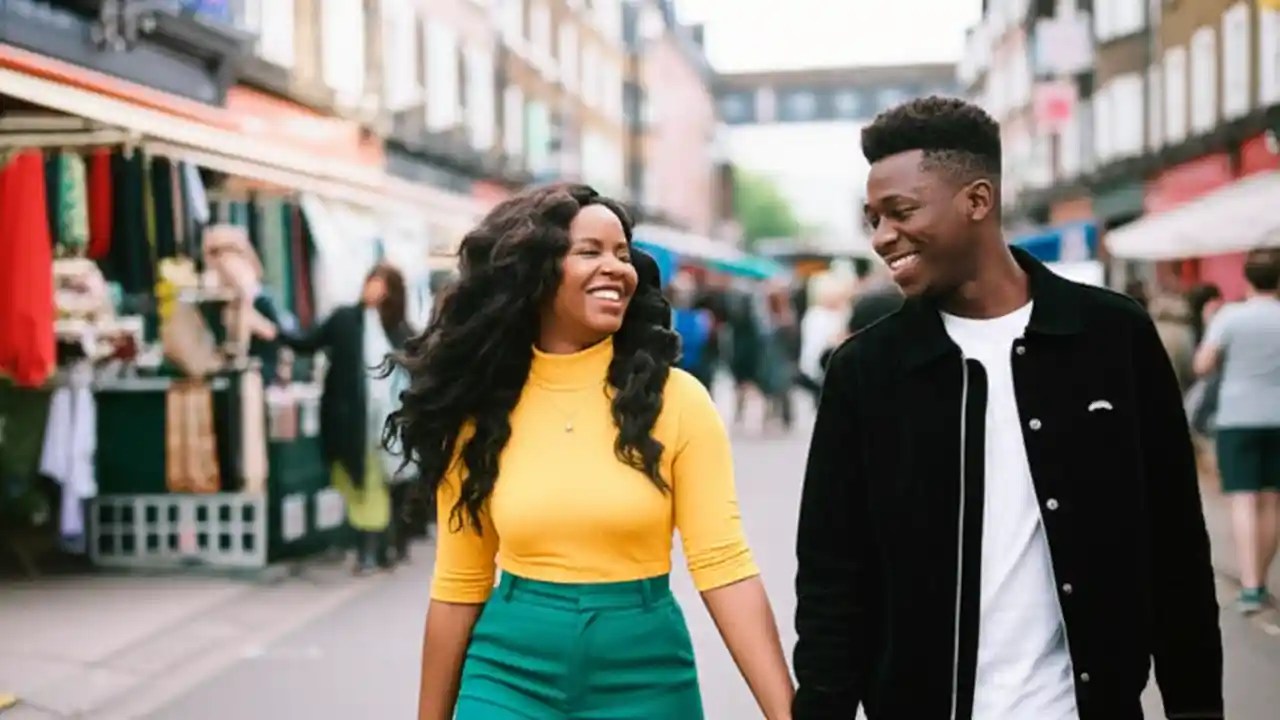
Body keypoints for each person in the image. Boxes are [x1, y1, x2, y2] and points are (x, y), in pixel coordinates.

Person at [793, 97, 1222, 720]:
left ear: (977, 200)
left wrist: (1197, 709)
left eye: (901, 211)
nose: (883, 237)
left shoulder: (1112, 337)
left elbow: (1176, 546)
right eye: (873, 219)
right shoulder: (866, 370)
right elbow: (833, 577)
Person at [392, 183, 793, 720]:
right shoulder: (480, 408)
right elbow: (459, 584)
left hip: (645, 672)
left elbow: (724, 565)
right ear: (535, 271)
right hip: (507, 675)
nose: (616, 268)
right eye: (591, 251)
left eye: (623, 254)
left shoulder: (677, 401)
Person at [275, 263, 414, 572]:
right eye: (371, 281)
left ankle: (372, 547)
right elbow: (307, 342)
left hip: (387, 423)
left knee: (375, 483)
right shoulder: (345, 320)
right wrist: (273, 328)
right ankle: (377, 546)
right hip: (352, 420)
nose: (372, 289)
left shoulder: (400, 331)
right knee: (355, 479)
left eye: (380, 284)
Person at [1194, 248, 1280, 614]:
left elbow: (1202, 365)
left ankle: (1250, 585)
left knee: (1244, 500)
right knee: (1273, 500)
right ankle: (1260, 577)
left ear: (1246, 279)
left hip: (1237, 417)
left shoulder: (1230, 317)